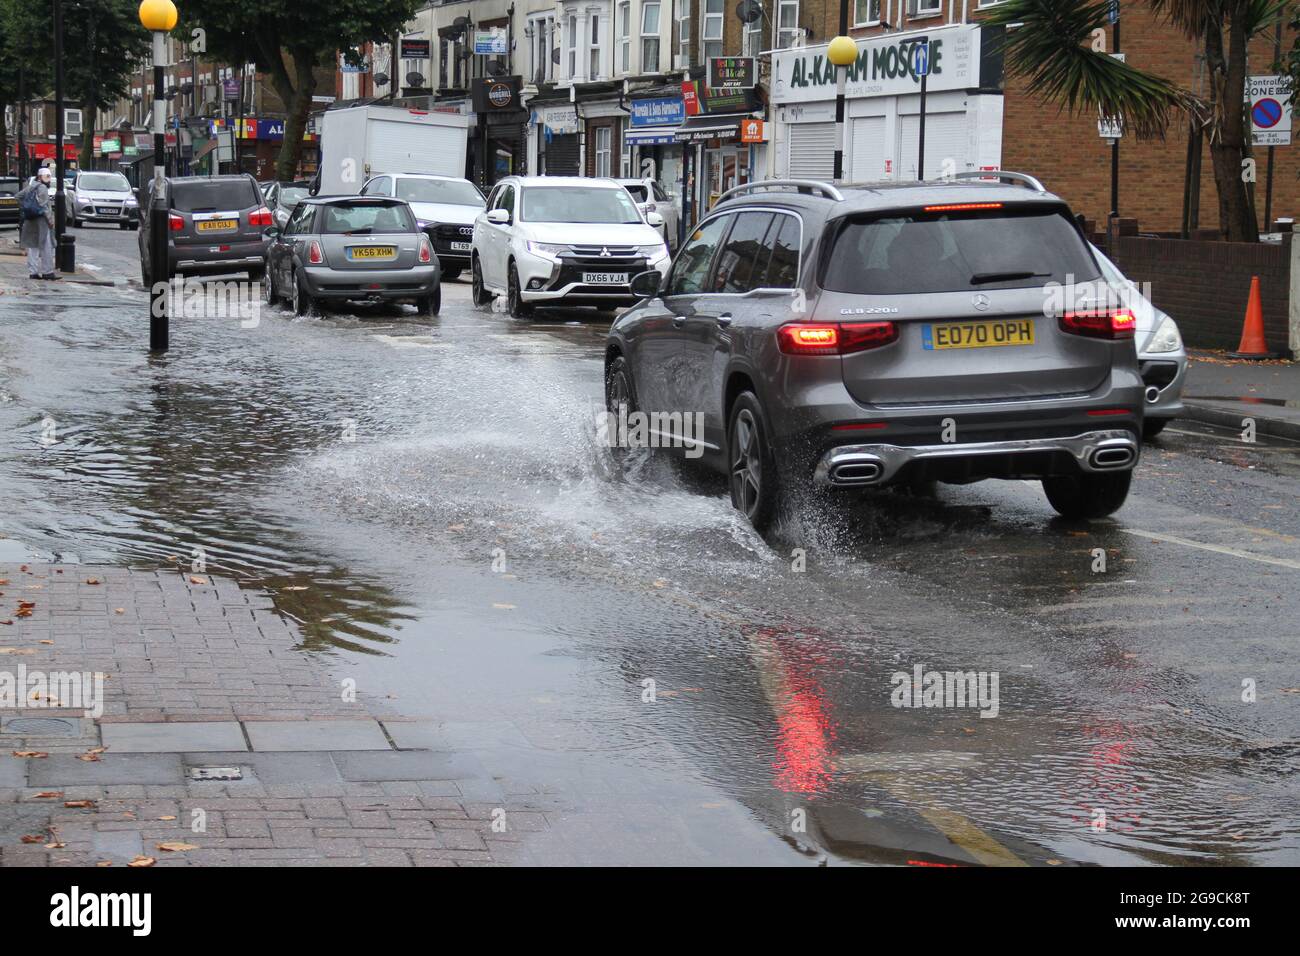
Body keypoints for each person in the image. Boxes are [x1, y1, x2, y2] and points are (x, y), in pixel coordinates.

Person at [18, 167, 58, 280]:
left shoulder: (31, 187)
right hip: (42, 220)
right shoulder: (43, 188)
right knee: (46, 245)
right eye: (47, 177)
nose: (49, 180)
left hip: (30, 219)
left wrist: (26, 208)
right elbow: (44, 206)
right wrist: (50, 221)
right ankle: (47, 272)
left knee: (32, 246)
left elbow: (18, 196)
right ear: (40, 177)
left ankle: (33, 272)